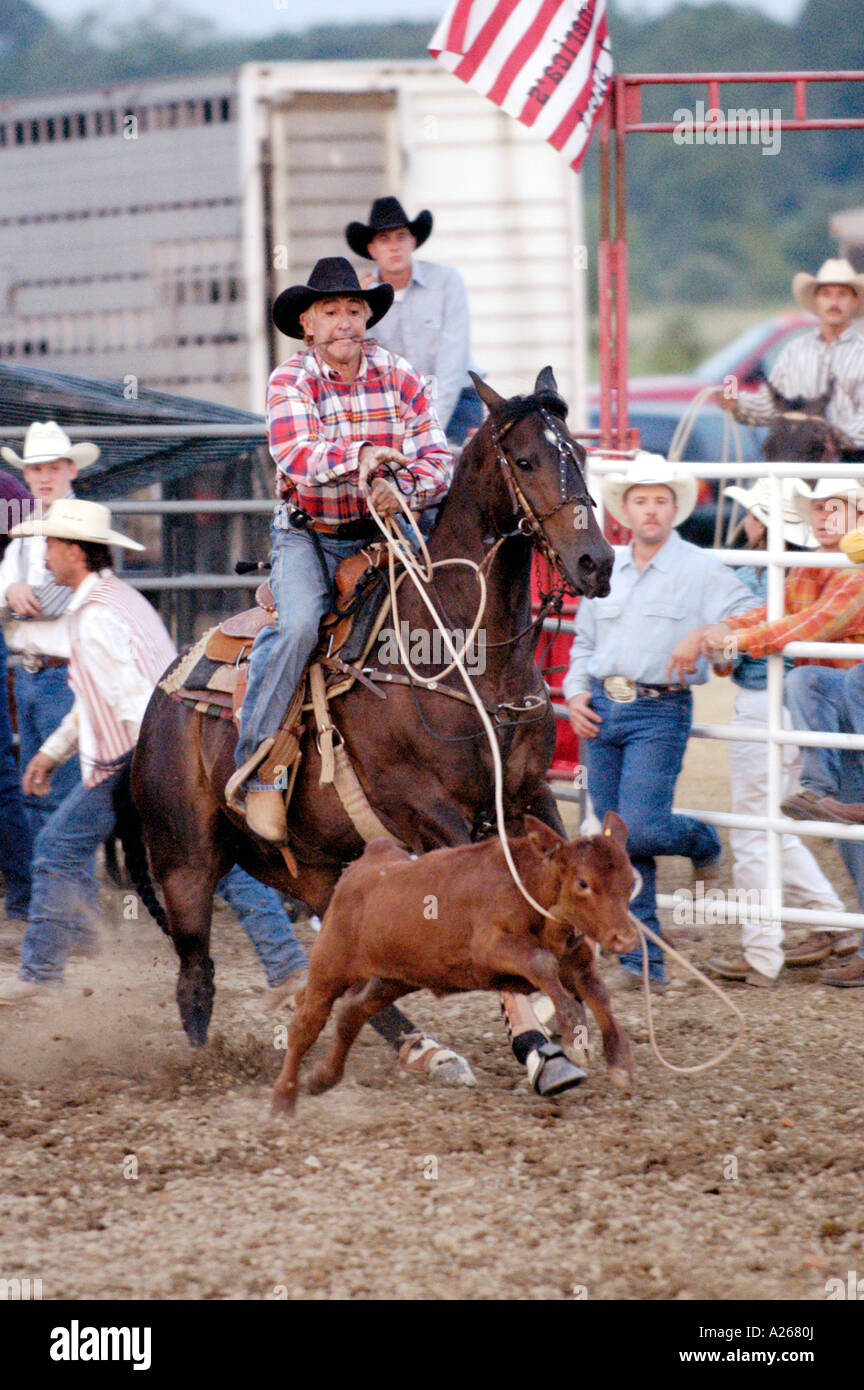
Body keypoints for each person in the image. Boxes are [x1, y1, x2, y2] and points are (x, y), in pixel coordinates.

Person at [0, 499, 308, 1007]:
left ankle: (40, 974)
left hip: (138, 760)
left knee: (57, 847)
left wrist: (134, 783)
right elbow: (116, 697)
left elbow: (127, 705)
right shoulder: (119, 601)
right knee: (220, 864)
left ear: (76, 552)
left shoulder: (95, 617)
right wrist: (54, 753)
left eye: (52, 544)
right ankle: (288, 968)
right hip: (167, 755)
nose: (46, 555)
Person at [233, 256, 454, 844]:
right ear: (308, 324)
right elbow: (296, 457)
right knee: (301, 622)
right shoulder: (290, 382)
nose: (344, 322)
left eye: (354, 310)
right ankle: (258, 768)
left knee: (446, 612)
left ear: (367, 317)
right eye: (330, 311)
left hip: (385, 533)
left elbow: (439, 460)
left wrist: (398, 484)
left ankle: (459, 748)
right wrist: (360, 459)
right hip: (312, 534)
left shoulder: (401, 374)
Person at [564, 454, 754, 990]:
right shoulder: (607, 566)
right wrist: (576, 692)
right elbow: (584, 641)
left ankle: (701, 840)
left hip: (658, 707)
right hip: (602, 705)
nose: (650, 510)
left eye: (661, 501)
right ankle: (641, 964)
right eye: (641, 501)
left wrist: (707, 636)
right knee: (614, 840)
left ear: (675, 508)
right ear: (625, 509)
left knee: (640, 828)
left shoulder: (699, 568)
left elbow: (745, 615)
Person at [683, 478, 853, 986]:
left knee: (755, 827)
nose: (822, 518)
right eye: (817, 509)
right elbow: (787, 620)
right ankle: (831, 923)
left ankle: (762, 952)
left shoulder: (802, 568)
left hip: (789, 701)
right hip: (807, 702)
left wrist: (734, 638)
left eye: (834, 509)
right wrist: (731, 638)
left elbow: (803, 626)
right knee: (773, 821)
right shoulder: (801, 565)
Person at [0, 421, 92, 837]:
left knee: (58, 797)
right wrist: (11, 593)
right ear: (26, 475)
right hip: (32, 673)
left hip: (65, 672)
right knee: (37, 793)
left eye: (53, 468)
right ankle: (50, 897)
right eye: (36, 470)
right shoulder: (24, 529)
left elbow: (55, 600)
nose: (44, 477)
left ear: (71, 470)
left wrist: (14, 597)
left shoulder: (85, 523)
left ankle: (60, 894)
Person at [346, 196, 483, 445]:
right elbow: (355, 364)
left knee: (465, 475)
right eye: (384, 239)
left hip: (456, 401)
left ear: (414, 241)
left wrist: (431, 431)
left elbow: (451, 362)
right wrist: (355, 312)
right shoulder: (362, 296)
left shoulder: (447, 281)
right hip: (392, 405)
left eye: (401, 236)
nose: (394, 247)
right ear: (371, 249)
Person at [719, 258, 864, 454]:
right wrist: (737, 403)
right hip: (796, 457)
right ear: (816, 300)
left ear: (855, 301)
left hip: (850, 462)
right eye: (826, 294)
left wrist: (832, 435)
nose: (834, 302)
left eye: (842, 294)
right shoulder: (794, 352)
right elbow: (771, 406)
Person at [0, 468, 36, 920]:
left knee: (3, 777)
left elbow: (27, 512)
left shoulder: (9, 495)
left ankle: (26, 893)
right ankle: (25, 891)